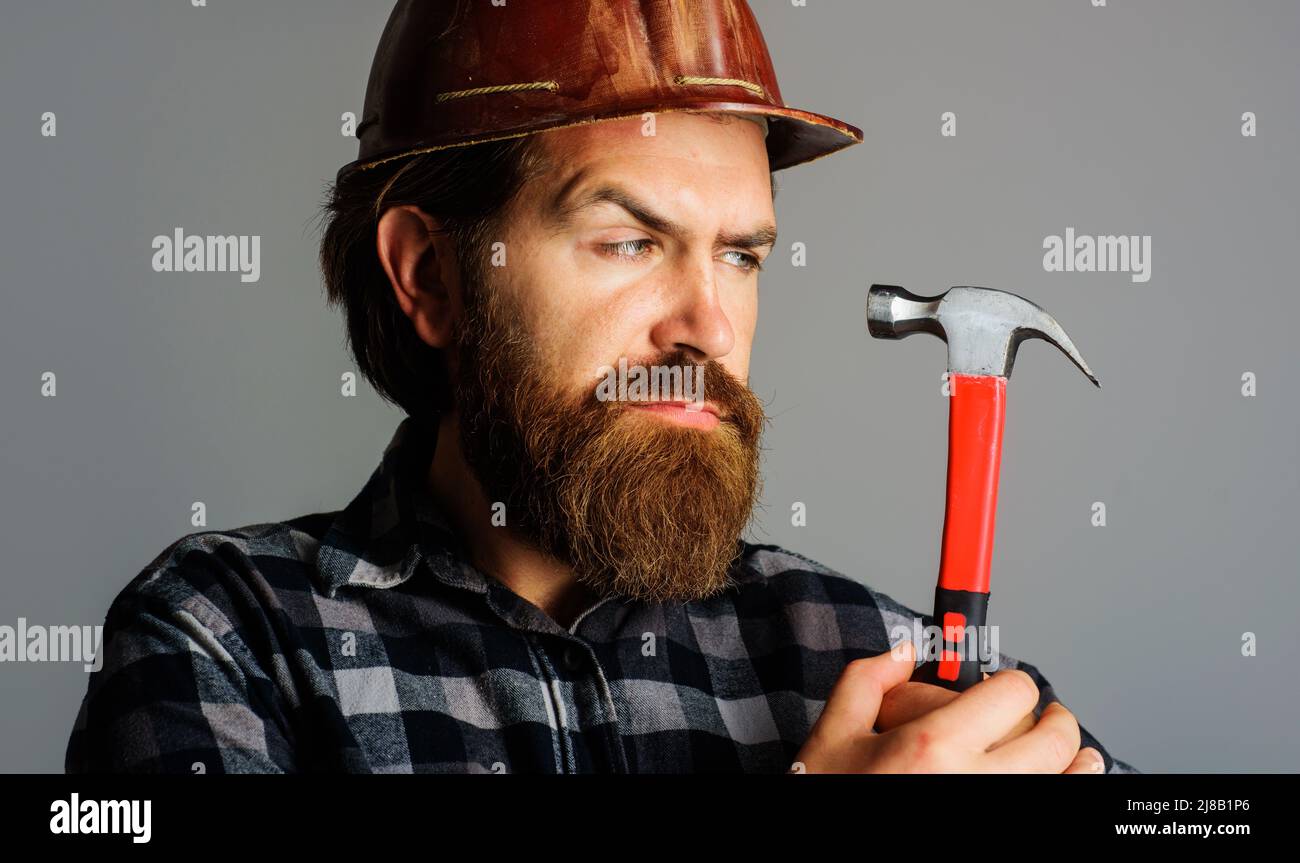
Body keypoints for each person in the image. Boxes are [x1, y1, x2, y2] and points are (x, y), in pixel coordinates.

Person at [65, 0, 1137, 774]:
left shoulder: (880, 659)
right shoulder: (230, 639)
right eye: (628, 241)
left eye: (741, 254)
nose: (709, 325)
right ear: (432, 275)